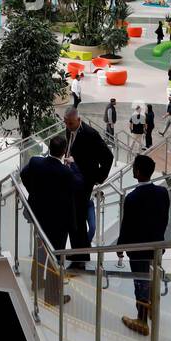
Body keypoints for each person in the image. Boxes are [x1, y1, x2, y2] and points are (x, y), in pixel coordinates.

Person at [20, 134, 83, 305]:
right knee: (56, 256)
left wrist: (34, 193)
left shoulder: (35, 162)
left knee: (40, 249)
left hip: (38, 216)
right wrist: (73, 164)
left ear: (49, 147)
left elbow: (23, 175)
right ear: (64, 152)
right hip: (58, 222)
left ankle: (37, 282)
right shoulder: (66, 172)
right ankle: (52, 296)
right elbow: (79, 184)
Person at [116, 154, 170, 336]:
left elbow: (127, 226)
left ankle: (142, 319)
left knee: (141, 282)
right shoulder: (163, 193)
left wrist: (120, 247)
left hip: (138, 249)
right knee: (152, 278)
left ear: (138, 172)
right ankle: (152, 310)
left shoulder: (132, 198)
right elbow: (164, 219)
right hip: (156, 246)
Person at [61, 106, 113, 269]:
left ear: (78, 120)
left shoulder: (90, 134)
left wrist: (97, 178)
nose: (68, 126)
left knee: (78, 219)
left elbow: (108, 156)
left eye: (70, 123)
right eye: (66, 123)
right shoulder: (69, 131)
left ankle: (81, 256)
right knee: (74, 218)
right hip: (72, 180)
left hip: (83, 182)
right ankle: (79, 253)